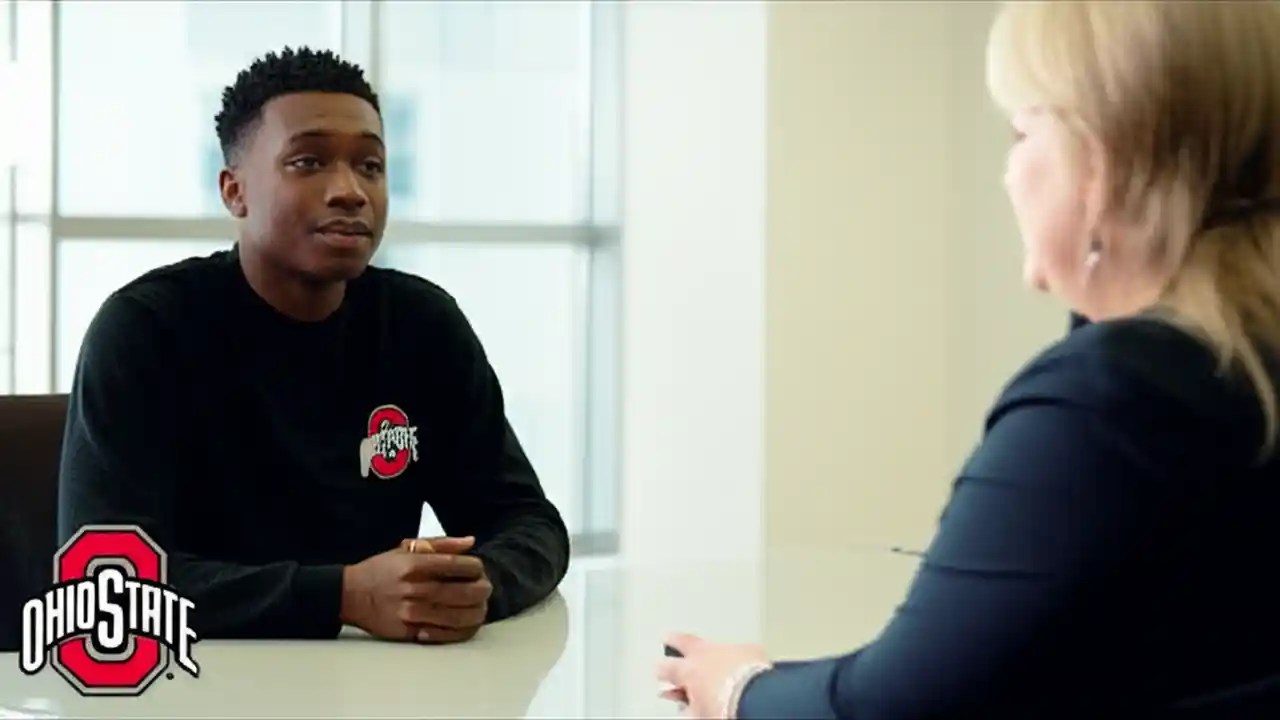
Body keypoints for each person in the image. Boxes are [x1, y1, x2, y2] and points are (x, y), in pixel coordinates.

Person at [658, 2, 1280, 717]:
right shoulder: (1235, 368)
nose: (1008, 175)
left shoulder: (1115, 402)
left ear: (1099, 160)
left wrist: (737, 689)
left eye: (1022, 133)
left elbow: (897, 708)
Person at [57, 47, 570, 644]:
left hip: (376, 677)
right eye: (308, 162)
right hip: (194, 677)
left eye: (371, 166)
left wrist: (471, 585)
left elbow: (528, 522)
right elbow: (104, 583)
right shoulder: (147, 329)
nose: (350, 191)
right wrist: (344, 596)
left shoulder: (422, 325)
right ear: (234, 192)